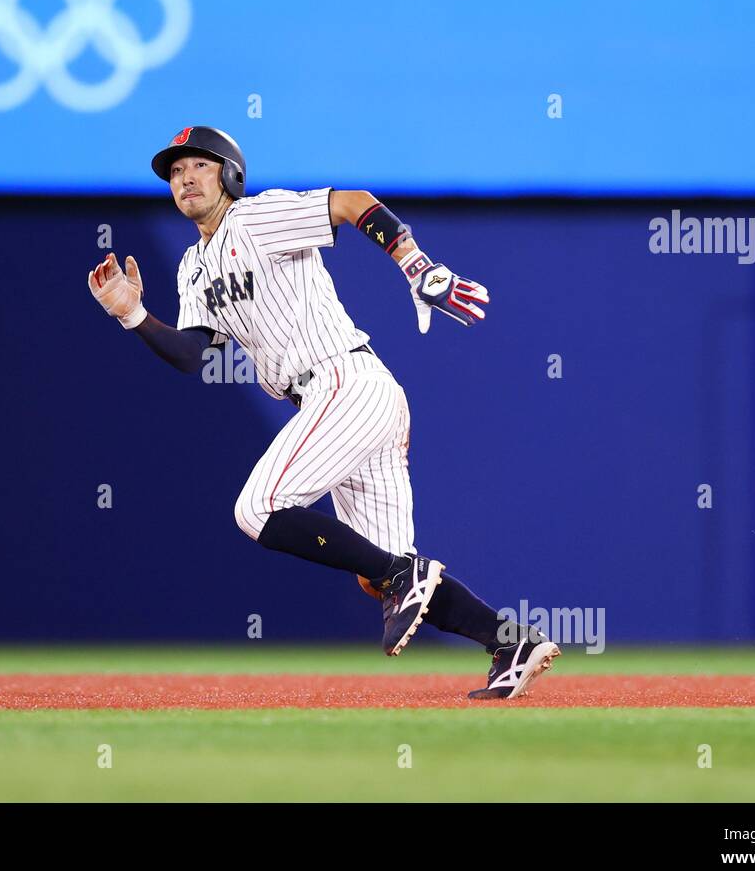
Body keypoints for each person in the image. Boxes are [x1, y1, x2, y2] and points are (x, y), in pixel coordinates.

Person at [88, 125, 559, 699]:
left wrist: (417, 265)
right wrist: (133, 314)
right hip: (337, 399)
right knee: (381, 571)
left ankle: (403, 579)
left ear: (230, 174)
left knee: (259, 509)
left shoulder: (256, 218)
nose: (185, 177)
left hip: (344, 380)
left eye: (199, 166)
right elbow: (193, 354)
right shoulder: (191, 266)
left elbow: (354, 203)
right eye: (175, 171)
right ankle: (511, 641)